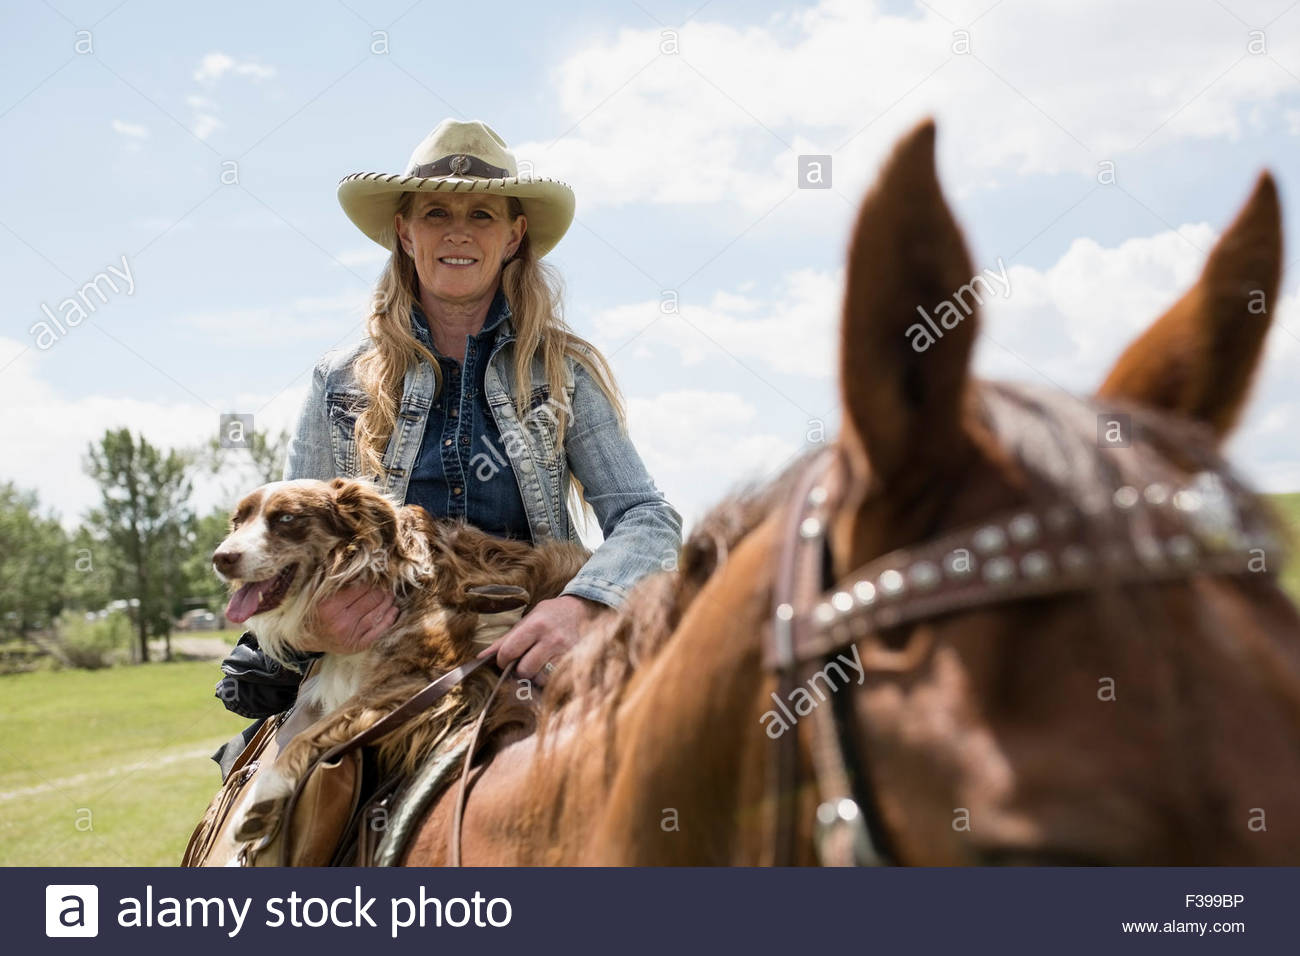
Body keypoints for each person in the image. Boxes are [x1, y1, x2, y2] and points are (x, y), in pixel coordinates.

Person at [211, 119, 681, 774]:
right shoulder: (338, 381)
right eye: (436, 212)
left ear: (514, 235)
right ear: (406, 232)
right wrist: (319, 628)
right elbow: (288, 552)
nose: (458, 232)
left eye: (482, 214)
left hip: (524, 644)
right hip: (370, 662)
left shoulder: (562, 371)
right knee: (270, 824)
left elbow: (647, 517)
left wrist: (580, 604)